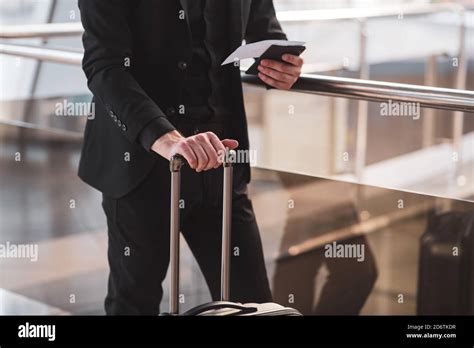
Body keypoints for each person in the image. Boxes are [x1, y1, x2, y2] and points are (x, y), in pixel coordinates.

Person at [78, 0, 303, 314]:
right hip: (141, 165)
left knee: (254, 306)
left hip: (223, 163)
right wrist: (166, 138)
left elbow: (266, 36)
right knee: (134, 304)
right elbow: (104, 67)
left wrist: (280, 68)